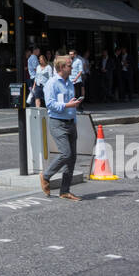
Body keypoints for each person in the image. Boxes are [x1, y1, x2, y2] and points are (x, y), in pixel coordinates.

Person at [39, 55, 85, 200]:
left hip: (71, 122)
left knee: (72, 159)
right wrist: (67, 105)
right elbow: (50, 105)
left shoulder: (70, 82)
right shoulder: (52, 83)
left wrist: (73, 112)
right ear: (61, 67)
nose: (72, 68)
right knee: (66, 154)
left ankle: (65, 191)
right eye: (69, 66)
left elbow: (69, 102)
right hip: (57, 122)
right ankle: (45, 176)